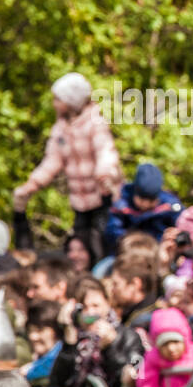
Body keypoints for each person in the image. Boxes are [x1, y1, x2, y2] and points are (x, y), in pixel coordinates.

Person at [13, 72, 122, 262]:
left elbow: (105, 150)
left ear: (71, 101)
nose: (54, 103)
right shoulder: (61, 128)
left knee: (101, 242)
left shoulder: (94, 122)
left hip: (102, 197)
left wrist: (104, 172)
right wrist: (33, 183)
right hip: (80, 200)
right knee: (81, 243)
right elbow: (52, 160)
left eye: (58, 99)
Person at [104, 162, 183, 253]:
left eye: (151, 201)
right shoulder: (122, 204)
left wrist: (173, 235)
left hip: (159, 250)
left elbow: (181, 225)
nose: (145, 205)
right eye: (141, 199)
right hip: (128, 251)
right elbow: (112, 231)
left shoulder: (170, 206)